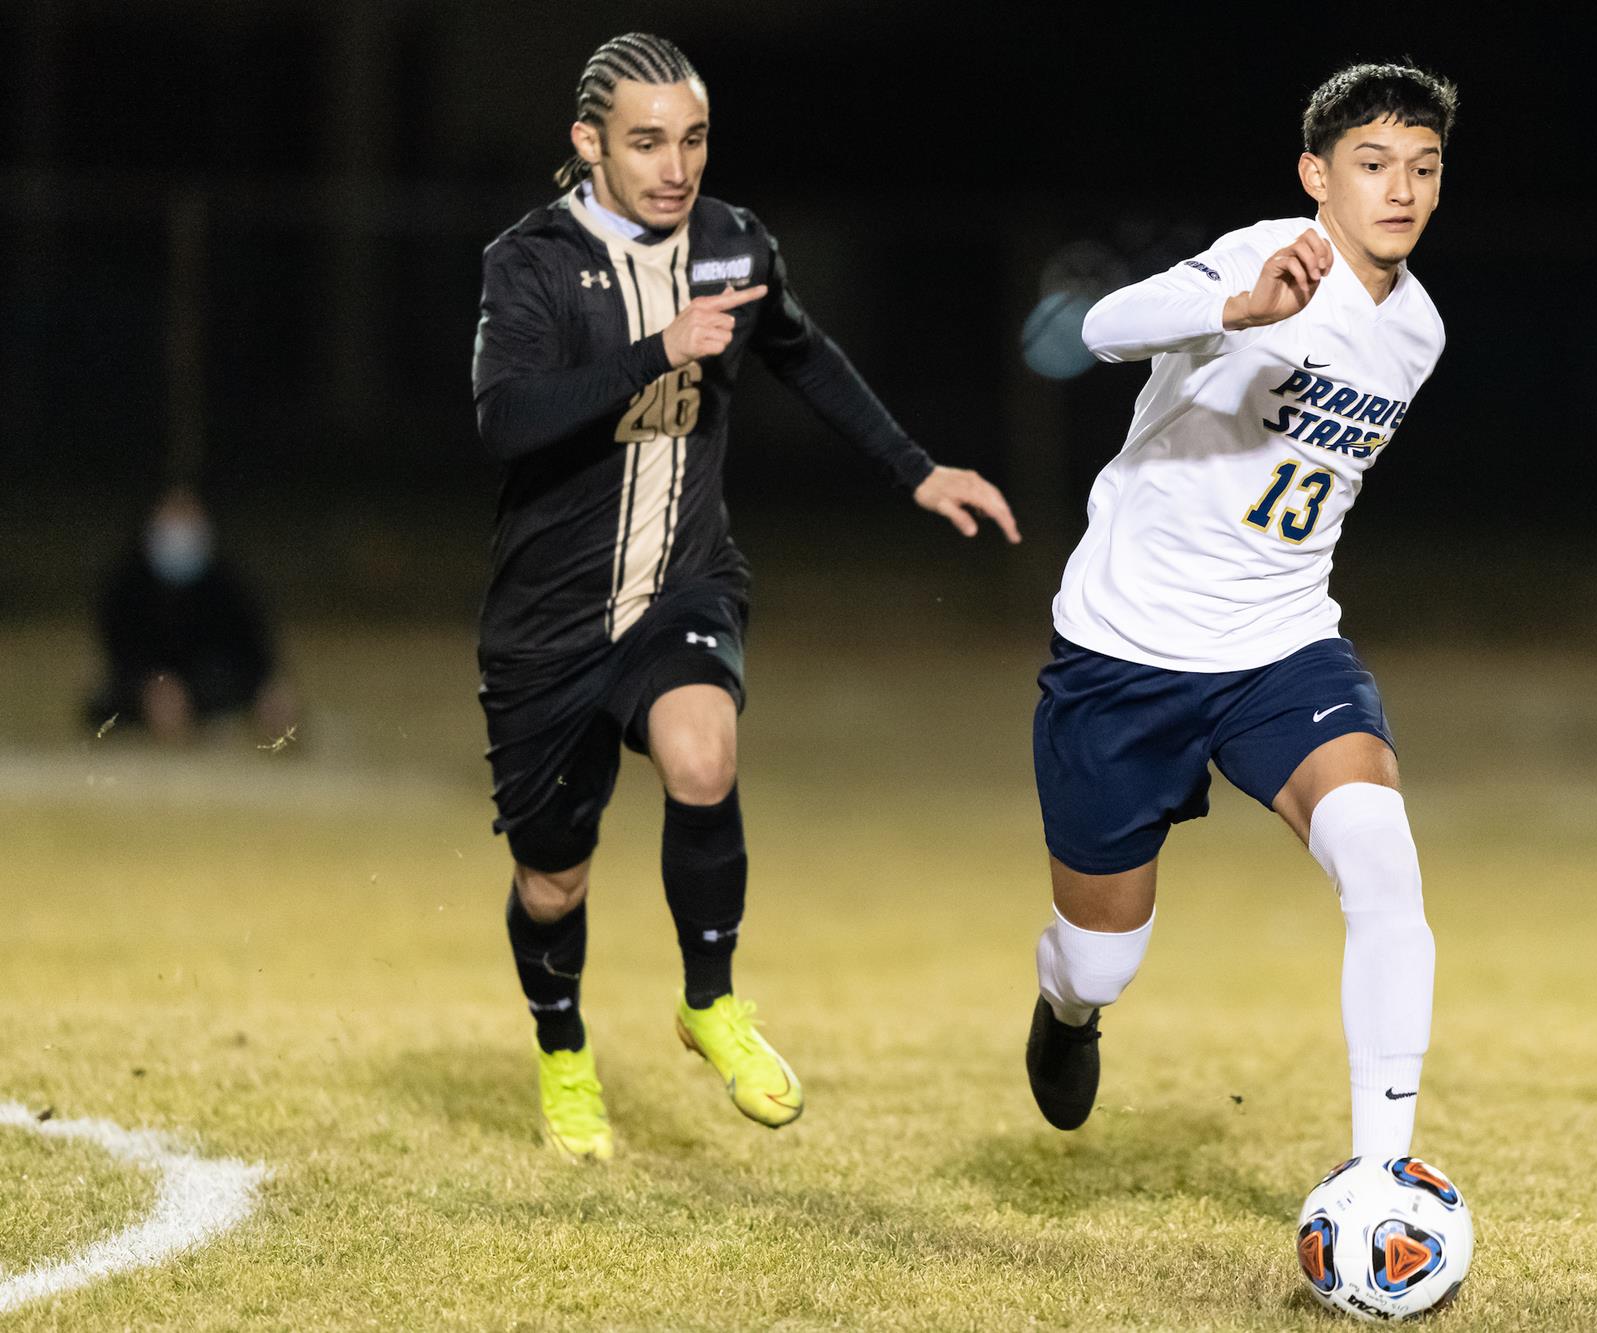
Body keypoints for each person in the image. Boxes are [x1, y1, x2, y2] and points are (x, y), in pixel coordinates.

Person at [473, 32, 1018, 1162]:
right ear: (588, 144)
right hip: (550, 620)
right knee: (551, 882)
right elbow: (507, 419)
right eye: (646, 142)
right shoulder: (530, 262)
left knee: (702, 752)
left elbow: (801, 352)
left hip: (684, 583)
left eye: (693, 139)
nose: (676, 167)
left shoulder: (731, 242)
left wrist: (915, 469)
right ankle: (563, 1048)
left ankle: (711, 999)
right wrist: (656, 350)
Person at [1023, 64, 1457, 1166]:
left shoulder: (1418, 331)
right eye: (1372, 164)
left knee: (1380, 858)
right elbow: (1103, 323)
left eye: (1422, 167)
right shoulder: (1261, 257)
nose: (1399, 189)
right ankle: (1066, 1007)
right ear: (1316, 175)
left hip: (1281, 646)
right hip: (1126, 649)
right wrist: (1237, 307)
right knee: (1101, 958)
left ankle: (1383, 1171)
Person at [87, 486, 298, 745]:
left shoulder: (229, 585)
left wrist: (268, 688)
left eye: (188, 520)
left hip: (211, 688)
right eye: (172, 520)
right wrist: (148, 686)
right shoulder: (126, 586)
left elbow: (254, 651)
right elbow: (119, 655)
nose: (180, 533)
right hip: (142, 693)